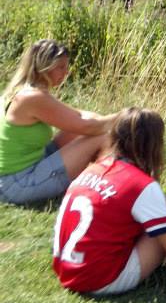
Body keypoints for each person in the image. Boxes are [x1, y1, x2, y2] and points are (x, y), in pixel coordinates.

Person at [52, 107, 166, 295]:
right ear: (155, 144)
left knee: (159, 211)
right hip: (103, 279)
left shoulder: (90, 170)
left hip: (66, 270)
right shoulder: (141, 185)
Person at [0, 39, 117, 205]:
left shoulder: (22, 90)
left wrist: (100, 118)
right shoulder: (33, 98)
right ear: (44, 68)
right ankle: (108, 188)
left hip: (20, 170)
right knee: (100, 137)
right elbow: (87, 126)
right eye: (61, 67)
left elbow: (77, 116)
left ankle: (104, 182)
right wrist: (127, 117)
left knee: (80, 129)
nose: (66, 72)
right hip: (16, 184)